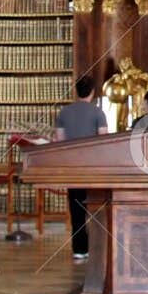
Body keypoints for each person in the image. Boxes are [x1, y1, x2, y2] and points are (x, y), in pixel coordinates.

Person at [53, 75, 108, 261]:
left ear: (76, 91)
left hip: (72, 167)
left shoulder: (64, 112)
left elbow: (60, 141)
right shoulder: (98, 112)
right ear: (92, 92)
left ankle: (79, 249)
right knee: (96, 209)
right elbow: (103, 140)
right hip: (93, 168)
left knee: (76, 211)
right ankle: (97, 247)